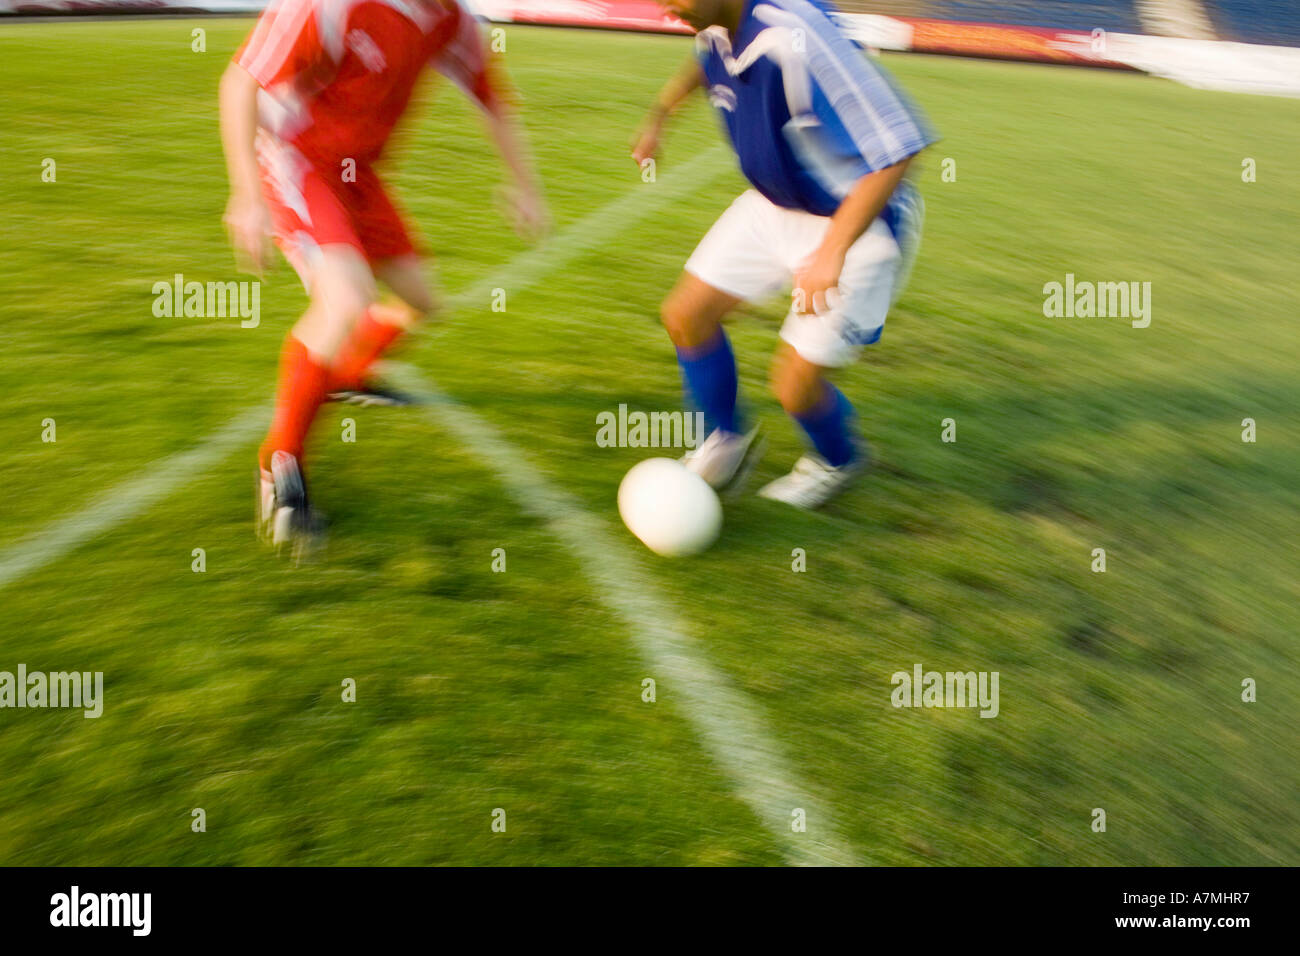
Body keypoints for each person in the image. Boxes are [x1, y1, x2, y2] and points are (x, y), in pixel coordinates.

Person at [220, 0, 547, 554]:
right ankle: (280, 466)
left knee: (422, 302)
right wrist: (247, 192)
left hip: (358, 176)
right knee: (345, 299)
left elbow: (492, 98)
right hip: (296, 158)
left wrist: (526, 184)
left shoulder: (450, 19)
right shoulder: (331, 6)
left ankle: (348, 375)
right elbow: (238, 82)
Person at [632, 0, 936, 508]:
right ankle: (723, 439)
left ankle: (838, 459)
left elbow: (899, 147)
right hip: (774, 207)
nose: (666, 8)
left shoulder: (795, 35)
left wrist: (831, 252)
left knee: (794, 386)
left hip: (856, 226)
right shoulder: (715, 25)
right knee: (686, 316)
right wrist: (659, 116)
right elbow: (703, 62)